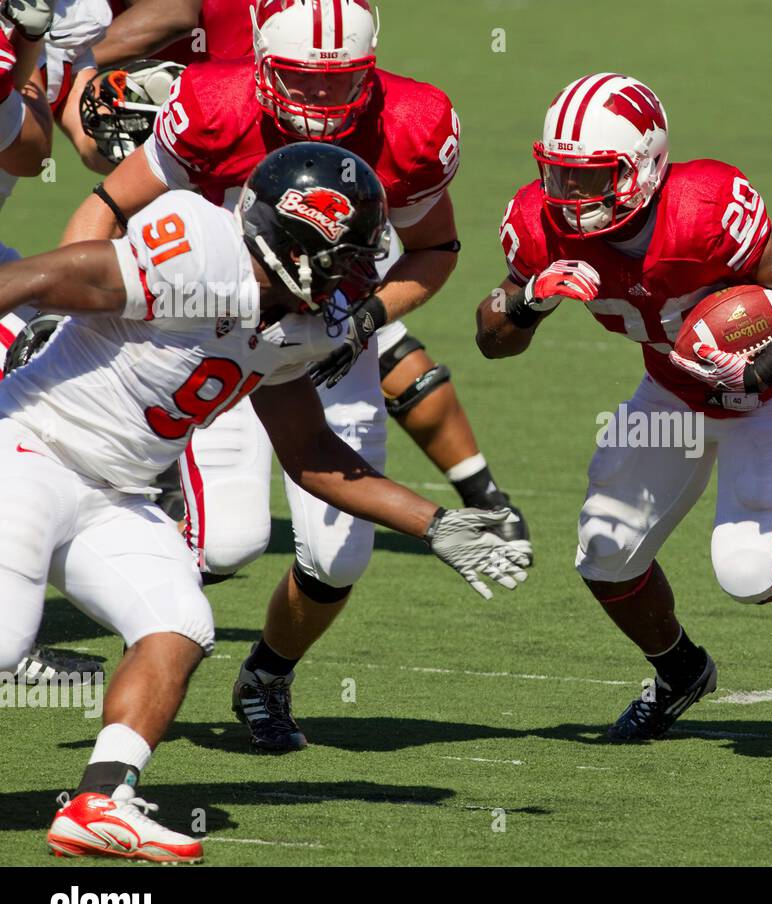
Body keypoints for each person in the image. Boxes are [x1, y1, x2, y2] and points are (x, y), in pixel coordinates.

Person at [0, 143, 529, 862]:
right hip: (31, 449)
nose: (359, 280)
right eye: (345, 261)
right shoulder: (195, 252)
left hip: (117, 494)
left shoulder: (299, 326)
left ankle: (100, 802)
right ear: (294, 244)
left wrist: (435, 524)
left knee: (178, 621)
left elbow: (311, 453)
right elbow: (31, 279)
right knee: (5, 638)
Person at [61, 0, 530, 751]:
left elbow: (434, 250)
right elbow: (109, 205)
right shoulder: (213, 101)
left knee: (338, 557)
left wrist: (364, 319)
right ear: (259, 61)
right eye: (300, 83)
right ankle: (140, 612)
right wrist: (83, 317)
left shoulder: (413, 123)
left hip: (321, 331)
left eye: (339, 83)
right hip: (215, 331)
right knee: (227, 545)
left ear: (371, 71)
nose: (319, 104)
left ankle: (268, 674)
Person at [476, 73, 772, 739]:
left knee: (752, 578)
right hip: (669, 393)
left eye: (590, 179)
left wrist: (762, 365)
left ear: (647, 167)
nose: (568, 198)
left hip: (761, 397)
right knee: (605, 552)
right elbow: (492, 342)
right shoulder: (540, 228)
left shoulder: (705, 208)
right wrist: (529, 301)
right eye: (559, 176)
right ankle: (682, 671)